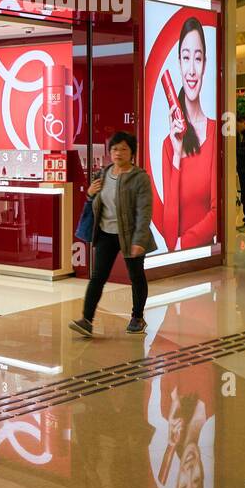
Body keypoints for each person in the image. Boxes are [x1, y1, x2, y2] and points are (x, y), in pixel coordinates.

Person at [71, 131, 158, 337]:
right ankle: (86, 320)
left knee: (136, 277)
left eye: (124, 149)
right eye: (115, 149)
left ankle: (137, 317)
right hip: (105, 234)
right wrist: (90, 194)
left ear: (132, 153)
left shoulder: (139, 178)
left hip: (130, 235)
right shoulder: (103, 174)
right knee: (98, 277)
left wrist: (139, 240)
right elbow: (94, 203)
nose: (118, 153)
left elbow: (144, 212)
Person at [160, 18, 217, 249]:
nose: (192, 70)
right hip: (178, 267)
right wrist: (177, 153)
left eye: (197, 57)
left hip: (206, 260)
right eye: (186, 57)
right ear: (179, 63)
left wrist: (183, 245)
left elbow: (217, 211)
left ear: (205, 64)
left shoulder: (215, 134)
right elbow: (169, 233)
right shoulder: (168, 145)